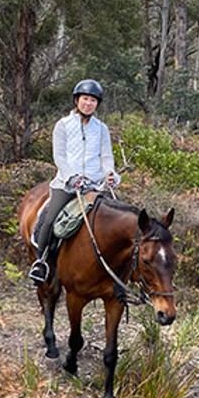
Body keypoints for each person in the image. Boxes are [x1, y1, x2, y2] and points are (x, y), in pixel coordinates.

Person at [28, 79, 120, 284]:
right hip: (67, 184)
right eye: (85, 99)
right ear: (77, 100)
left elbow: (106, 156)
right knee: (50, 220)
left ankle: (119, 272)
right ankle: (41, 262)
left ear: (97, 104)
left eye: (93, 100)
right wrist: (72, 177)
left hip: (96, 185)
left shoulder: (102, 128)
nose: (89, 103)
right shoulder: (63, 125)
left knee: (121, 219)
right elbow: (59, 156)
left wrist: (110, 174)